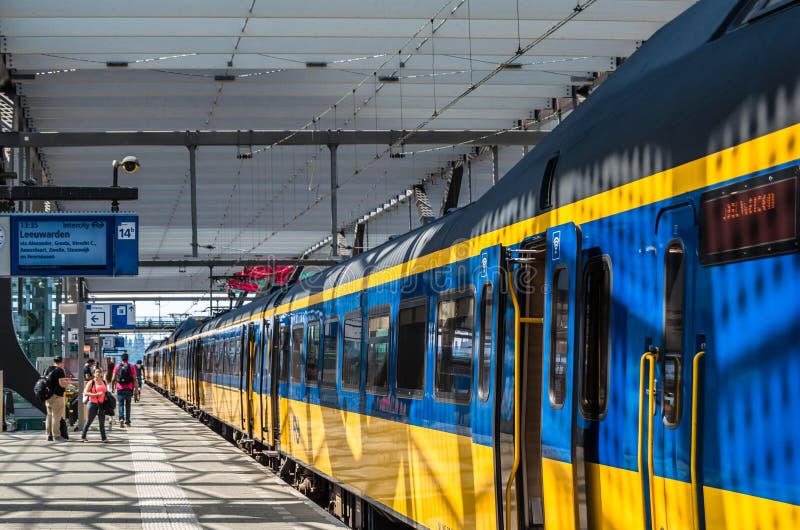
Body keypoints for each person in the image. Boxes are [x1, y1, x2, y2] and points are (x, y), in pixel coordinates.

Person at [44, 357, 70, 442]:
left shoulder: (47, 369)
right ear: (61, 362)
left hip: (48, 396)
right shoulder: (59, 370)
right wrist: (67, 383)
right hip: (57, 396)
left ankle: (48, 435)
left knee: (49, 416)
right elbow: (62, 384)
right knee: (56, 417)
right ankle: (56, 436)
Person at [81, 368, 109, 443]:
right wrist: (95, 394)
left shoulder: (104, 382)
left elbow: (106, 392)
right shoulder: (91, 382)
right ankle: (83, 436)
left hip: (101, 404)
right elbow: (86, 393)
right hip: (92, 404)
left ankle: (104, 438)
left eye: (100, 372)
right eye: (97, 372)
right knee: (89, 421)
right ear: (94, 374)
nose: (98, 373)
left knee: (102, 422)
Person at [111, 353, 136, 428]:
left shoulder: (117, 366)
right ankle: (127, 421)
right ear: (127, 359)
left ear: (121, 359)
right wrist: (136, 390)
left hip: (120, 388)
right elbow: (134, 379)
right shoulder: (131, 366)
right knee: (128, 405)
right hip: (129, 388)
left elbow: (113, 379)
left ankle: (121, 418)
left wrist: (113, 387)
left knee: (121, 404)